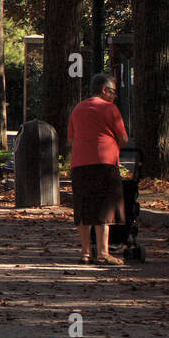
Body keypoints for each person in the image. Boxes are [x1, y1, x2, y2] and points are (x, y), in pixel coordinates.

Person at [67, 73, 129, 265]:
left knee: (84, 206)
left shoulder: (77, 109)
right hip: (105, 161)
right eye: (112, 92)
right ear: (104, 90)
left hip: (80, 163)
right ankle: (103, 252)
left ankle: (85, 252)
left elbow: (71, 138)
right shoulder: (110, 109)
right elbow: (124, 139)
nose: (114, 96)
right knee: (105, 206)